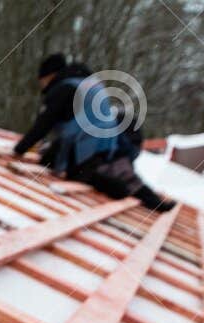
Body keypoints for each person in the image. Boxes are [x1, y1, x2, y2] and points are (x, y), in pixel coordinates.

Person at [13, 52, 175, 212]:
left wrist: (19, 149)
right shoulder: (89, 83)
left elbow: (44, 123)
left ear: (49, 75)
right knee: (123, 175)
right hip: (108, 145)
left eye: (42, 81)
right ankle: (154, 202)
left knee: (60, 166)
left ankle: (112, 186)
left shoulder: (64, 87)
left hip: (85, 146)